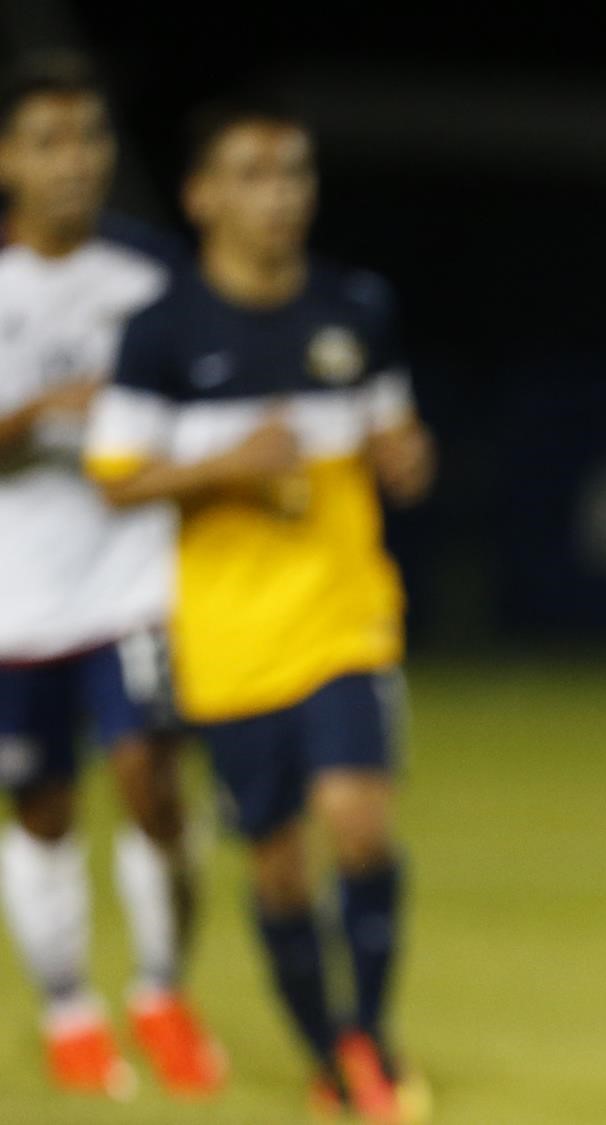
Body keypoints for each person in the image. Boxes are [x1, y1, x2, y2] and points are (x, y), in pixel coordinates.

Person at [84, 100, 435, 1122]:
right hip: (228, 639)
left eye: (293, 174)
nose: (279, 195)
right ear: (201, 196)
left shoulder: (353, 308)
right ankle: (327, 1054)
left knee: (357, 824)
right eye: (252, 174)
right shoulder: (163, 332)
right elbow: (114, 478)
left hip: (345, 617)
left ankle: (368, 1041)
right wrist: (222, 467)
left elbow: (392, 434)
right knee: (279, 867)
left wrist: (403, 456)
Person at [0, 54, 222, 1100]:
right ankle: (70, 1013)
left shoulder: (152, 278)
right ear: (9, 159)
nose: (74, 163)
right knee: (41, 811)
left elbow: (206, 405)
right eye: (48, 142)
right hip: (19, 597)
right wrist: (43, 414)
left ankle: (162, 992)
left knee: (154, 787)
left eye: (88, 139)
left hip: (133, 582)